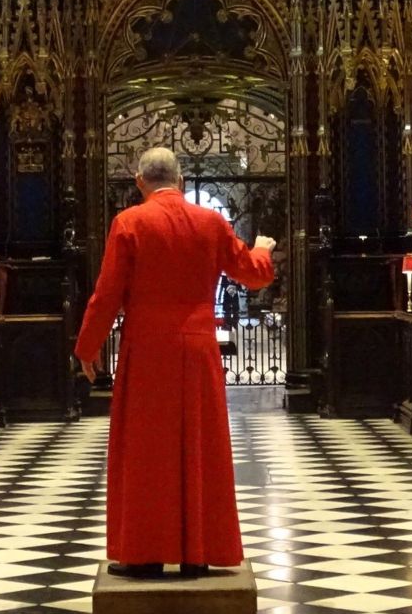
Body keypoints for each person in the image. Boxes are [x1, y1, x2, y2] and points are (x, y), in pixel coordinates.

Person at [74, 147, 276, 578]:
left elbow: (107, 295)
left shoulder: (129, 222)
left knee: (146, 451)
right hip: (199, 347)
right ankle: (196, 552)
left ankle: (144, 553)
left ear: (139, 182)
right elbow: (253, 274)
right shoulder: (211, 222)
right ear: (181, 181)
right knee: (200, 444)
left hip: (147, 350)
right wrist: (261, 249)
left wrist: (88, 348)